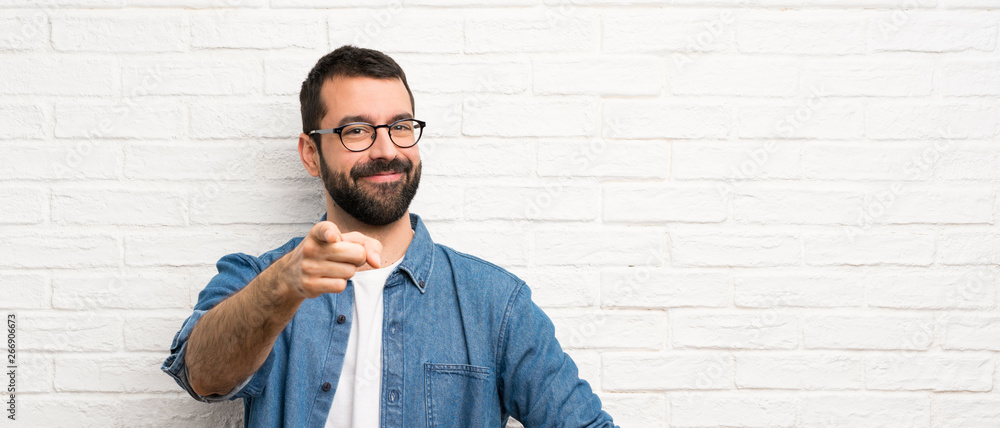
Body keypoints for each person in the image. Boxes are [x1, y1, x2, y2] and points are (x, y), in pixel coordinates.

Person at [162, 45, 617, 428]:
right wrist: (284, 286)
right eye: (357, 130)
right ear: (310, 153)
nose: (386, 150)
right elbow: (202, 376)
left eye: (401, 127)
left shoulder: (495, 303)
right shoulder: (260, 278)